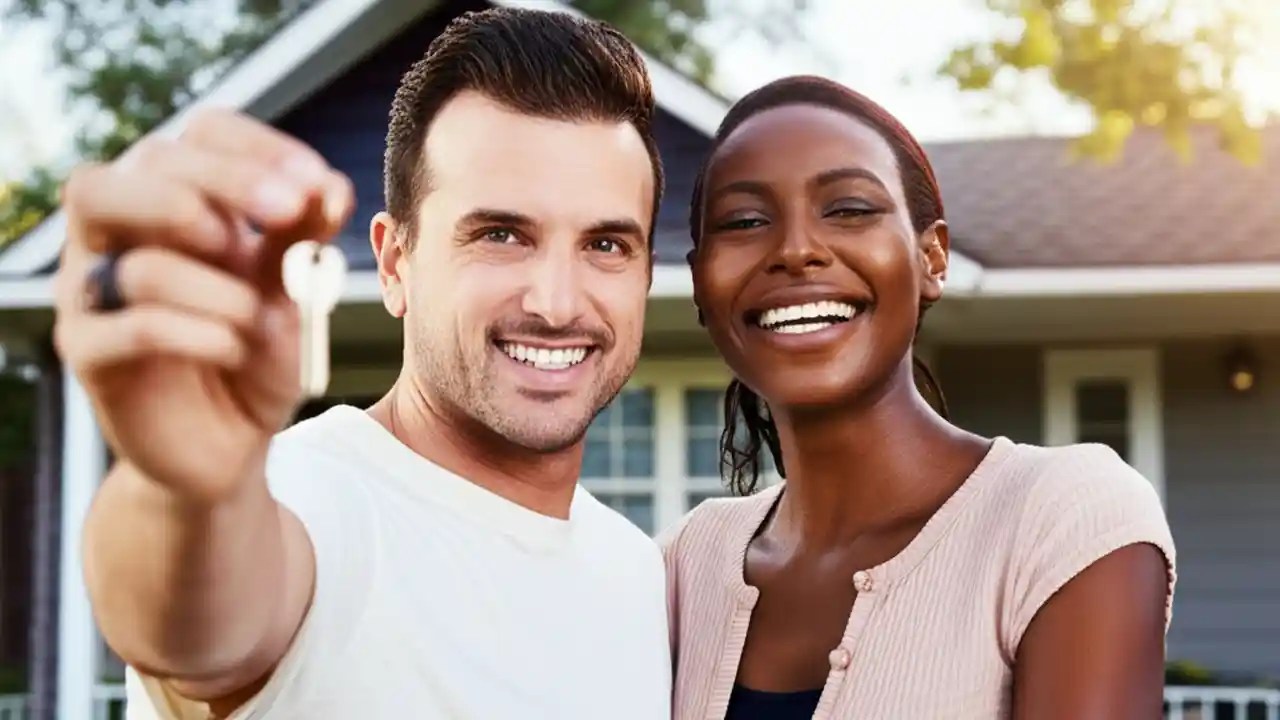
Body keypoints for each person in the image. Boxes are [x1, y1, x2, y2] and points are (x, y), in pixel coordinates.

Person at [53, 8, 672, 719]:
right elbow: (195, 629)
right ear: (393, 262)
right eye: (501, 234)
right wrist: (190, 495)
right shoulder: (307, 499)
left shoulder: (637, 575)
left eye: (606, 245)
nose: (557, 303)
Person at [662, 75, 1177, 720]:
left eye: (848, 208)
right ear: (701, 286)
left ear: (932, 259)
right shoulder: (686, 562)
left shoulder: (1060, 518)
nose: (794, 250)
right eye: (744, 221)